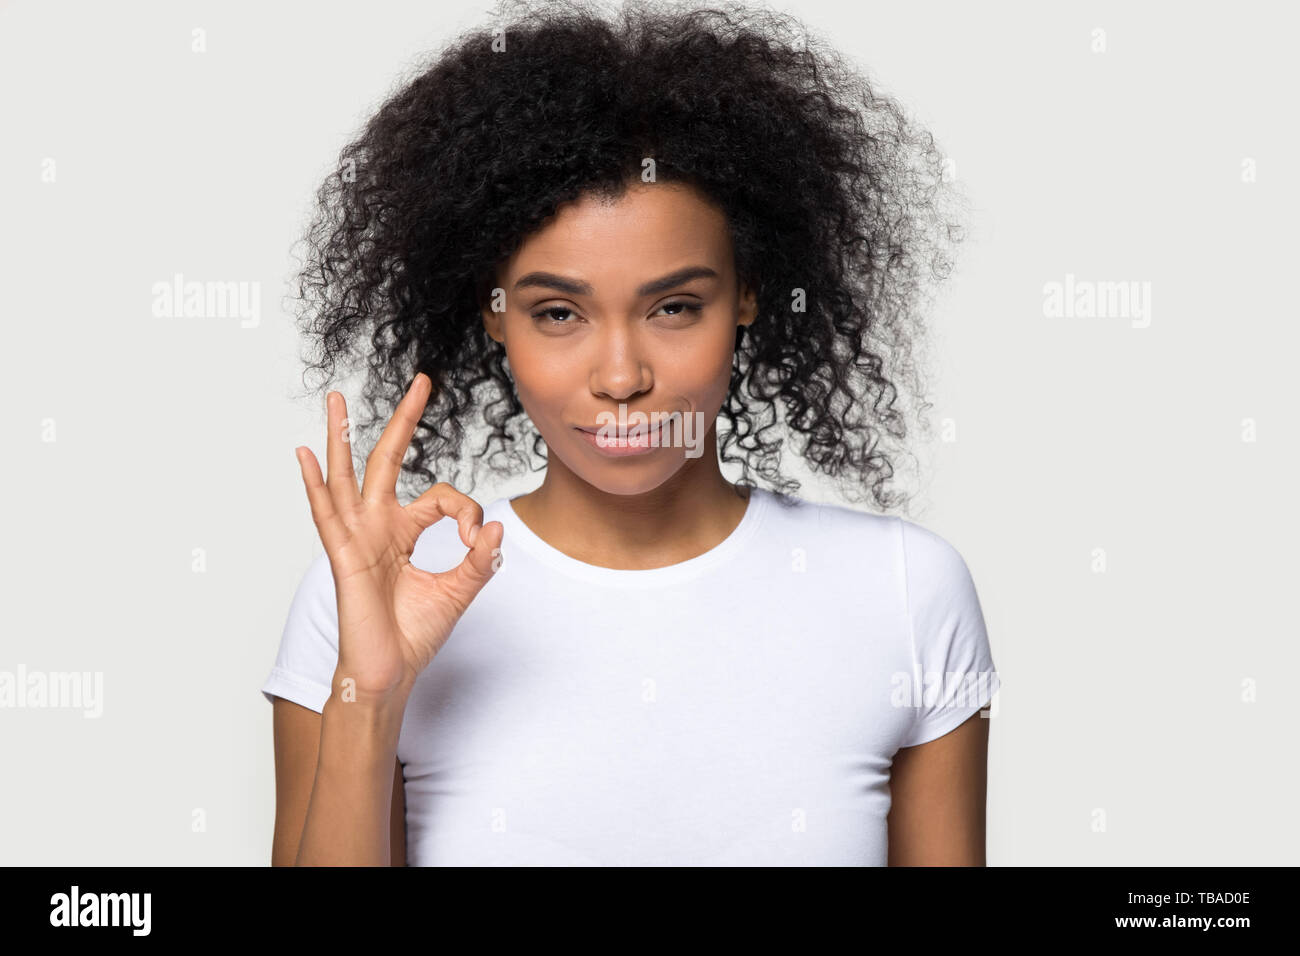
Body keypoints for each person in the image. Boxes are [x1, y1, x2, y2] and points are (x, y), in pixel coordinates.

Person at [262, 0, 1001, 866]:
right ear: (493, 315)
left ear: (750, 296)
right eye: (558, 312)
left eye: (675, 306)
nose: (620, 378)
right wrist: (369, 698)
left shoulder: (905, 593)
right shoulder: (371, 604)